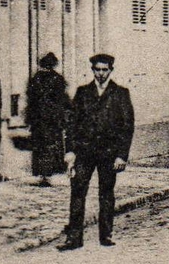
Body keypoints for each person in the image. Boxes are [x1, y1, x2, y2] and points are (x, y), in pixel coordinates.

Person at [58, 53, 135, 250]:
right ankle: (74, 238)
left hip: (109, 153)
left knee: (106, 193)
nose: (100, 74)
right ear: (92, 70)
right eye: (97, 70)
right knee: (77, 193)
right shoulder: (83, 93)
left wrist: (121, 155)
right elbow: (72, 124)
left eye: (104, 70)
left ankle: (106, 235)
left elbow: (127, 127)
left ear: (111, 70)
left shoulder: (120, 93)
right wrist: (70, 151)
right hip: (84, 152)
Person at [25, 52, 69, 186]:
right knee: (51, 146)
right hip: (52, 120)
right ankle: (48, 174)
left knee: (41, 147)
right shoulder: (58, 79)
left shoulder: (35, 79)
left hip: (40, 120)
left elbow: (30, 101)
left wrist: (30, 119)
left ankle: (43, 174)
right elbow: (63, 100)